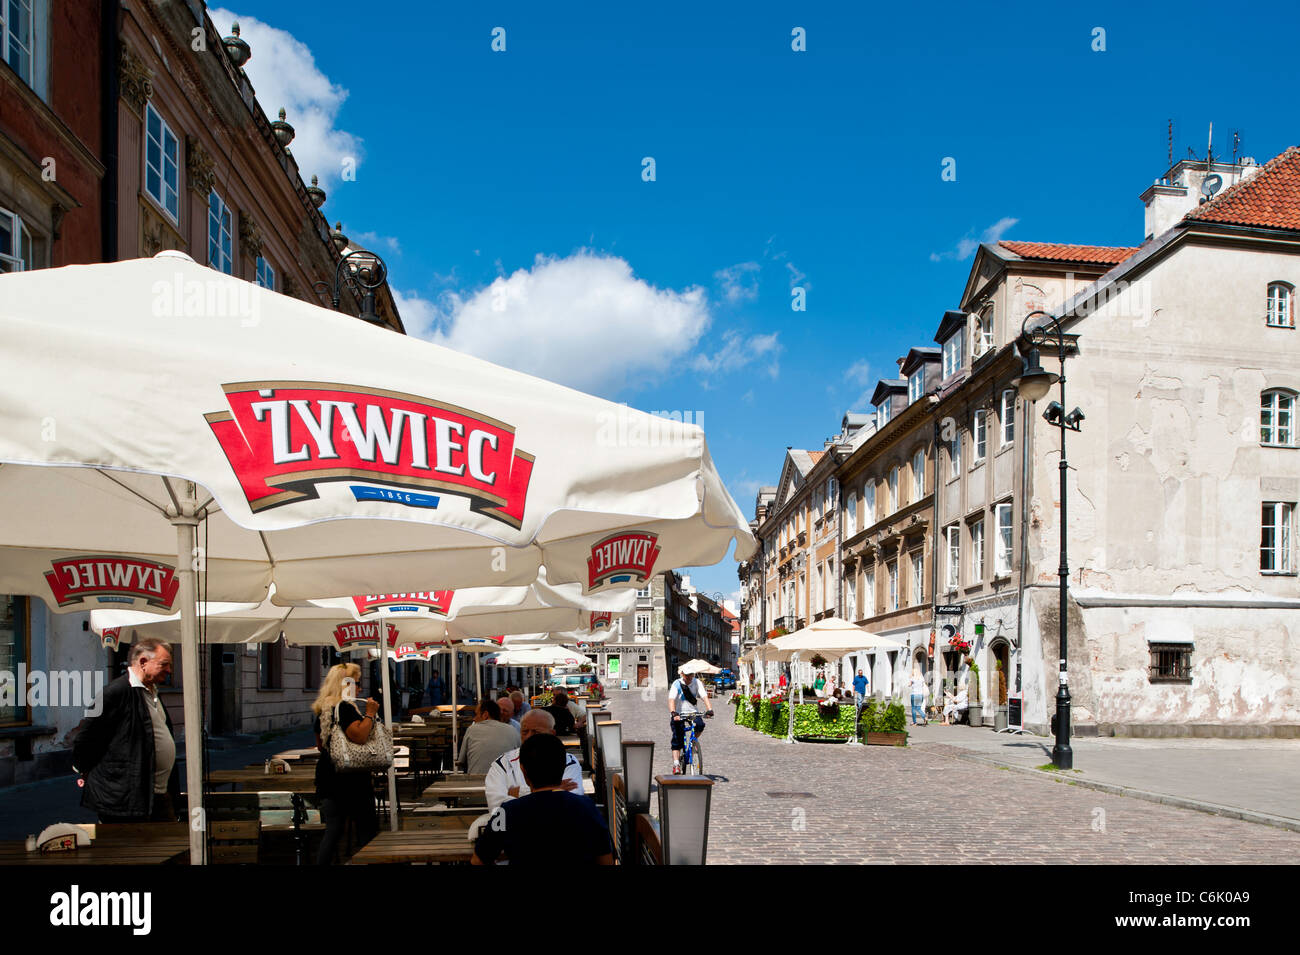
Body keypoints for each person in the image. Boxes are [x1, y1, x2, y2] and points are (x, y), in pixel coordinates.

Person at [72, 638, 180, 823]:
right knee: (133, 849)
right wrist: (82, 768)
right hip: (126, 799)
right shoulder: (116, 692)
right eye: (164, 664)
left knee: (170, 845)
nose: (169, 670)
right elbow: (87, 737)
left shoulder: (153, 691)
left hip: (157, 795)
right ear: (143, 662)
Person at [473, 733, 613, 865]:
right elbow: (606, 860)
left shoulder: (506, 812)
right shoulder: (586, 807)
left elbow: (479, 860)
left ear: (523, 770)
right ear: (562, 768)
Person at [311, 663, 380, 864]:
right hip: (351, 779)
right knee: (366, 830)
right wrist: (369, 714)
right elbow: (359, 736)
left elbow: (320, 745)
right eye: (357, 684)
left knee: (333, 831)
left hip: (328, 776)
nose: (360, 689)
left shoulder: (323, 708)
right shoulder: (346, 709)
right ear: (346, 684)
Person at [484, 709, 583, 812]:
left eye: (536, 732)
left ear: (552, 733)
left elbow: (571, 801)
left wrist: (515, 792)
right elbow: (497, 808)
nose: (528, 736)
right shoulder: (503, 764)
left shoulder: (568, 761)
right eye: (525, 731)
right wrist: (552, 791)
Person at [458, 697, 520, 774]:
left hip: (476, 781)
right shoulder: (513, 730)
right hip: (505, 782)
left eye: (476, 714)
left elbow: (461, 761)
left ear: (485, 715)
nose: (474, 718)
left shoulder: (472, 729)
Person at [668, 669, 713, 774]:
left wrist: (709, 709)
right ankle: (676, 764)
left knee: (700, 725)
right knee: (677, 738)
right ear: (682, 674)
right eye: (686, 675)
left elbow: (704, 696)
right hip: (679, 713)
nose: (688, 678)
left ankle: (693, 742)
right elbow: (671, 700)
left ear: (693, 674)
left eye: (691, 675)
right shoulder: (676, 684)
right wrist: (674, 713)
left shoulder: (697, 682)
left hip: (693, 712)